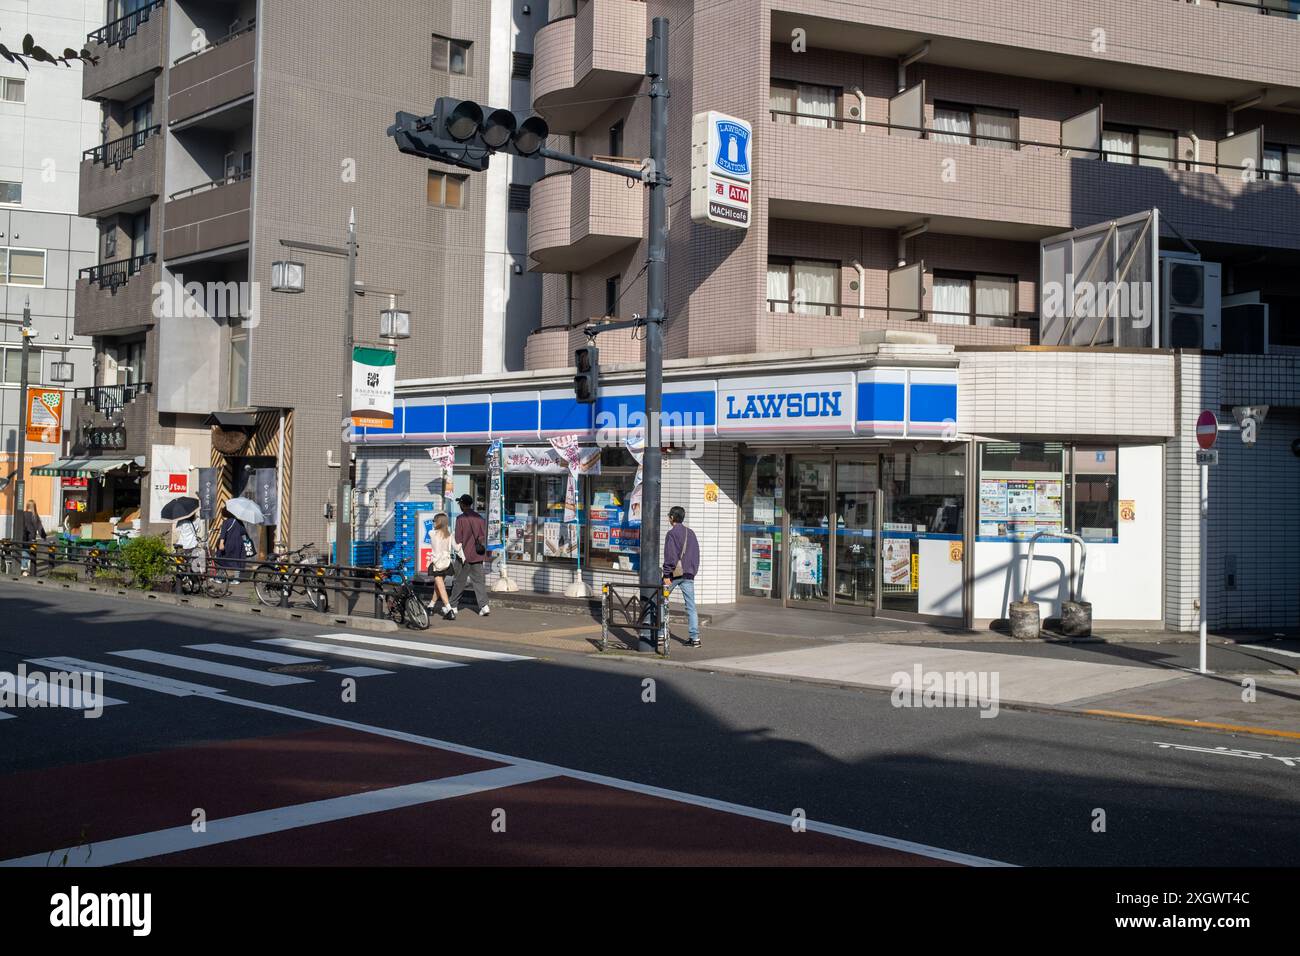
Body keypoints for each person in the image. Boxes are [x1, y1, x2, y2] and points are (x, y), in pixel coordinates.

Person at [662, 505, 701, 647]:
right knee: (691, 607)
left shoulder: (672, 534)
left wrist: (667, 574)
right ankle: (695, 638)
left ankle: (661, 634)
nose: (668, 518)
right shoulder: (690, 533)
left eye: (669, 516)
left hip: (673, 574)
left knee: (661, 600)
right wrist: (693, 571)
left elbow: (670, 556)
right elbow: (696, 555)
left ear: (672, 517)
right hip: (689, 575)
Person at [446, 493, 489, 619]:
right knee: (479, 581)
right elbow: (482, 537)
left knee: (459, 581)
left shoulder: (460, 519)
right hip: (477, 554)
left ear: (463, 504)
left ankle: (453, 606)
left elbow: (458, 539)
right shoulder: (480, 518)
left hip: (463, 556)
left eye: (460, 503)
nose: (459, 505)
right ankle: (484, 606)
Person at [424, 512, 464, 618]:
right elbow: (456, 548)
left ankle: (449, 610)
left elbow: (435, 543)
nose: (433, 523)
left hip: (436, 563)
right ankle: (430, 606)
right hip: (446, 563)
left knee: (440, 586)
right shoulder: (449, 534)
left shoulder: (432, 533)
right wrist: (461, 542)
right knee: (438, 586)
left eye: (434, 521)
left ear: (438, 522)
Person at [215, 505, 251, 582]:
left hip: (229, 544)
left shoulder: (226, 522)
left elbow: (223, 534)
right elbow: (243, 532)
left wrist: (221, 543)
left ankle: (220, 578)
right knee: (237, 561)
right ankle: (236, 580)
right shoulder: (239, 522)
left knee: (220, 559)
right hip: (238, 544)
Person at [19, 500, 46, 576]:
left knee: (25, 550)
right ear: (34, 507)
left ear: (27, 506)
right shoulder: (35, 515)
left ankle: (24, 567)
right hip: (32, 537)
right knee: (29, 551)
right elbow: (39, 527)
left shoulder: (23, 514)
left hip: (24, 536)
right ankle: (26, 567)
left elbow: (20, 525)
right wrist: (43, 536)